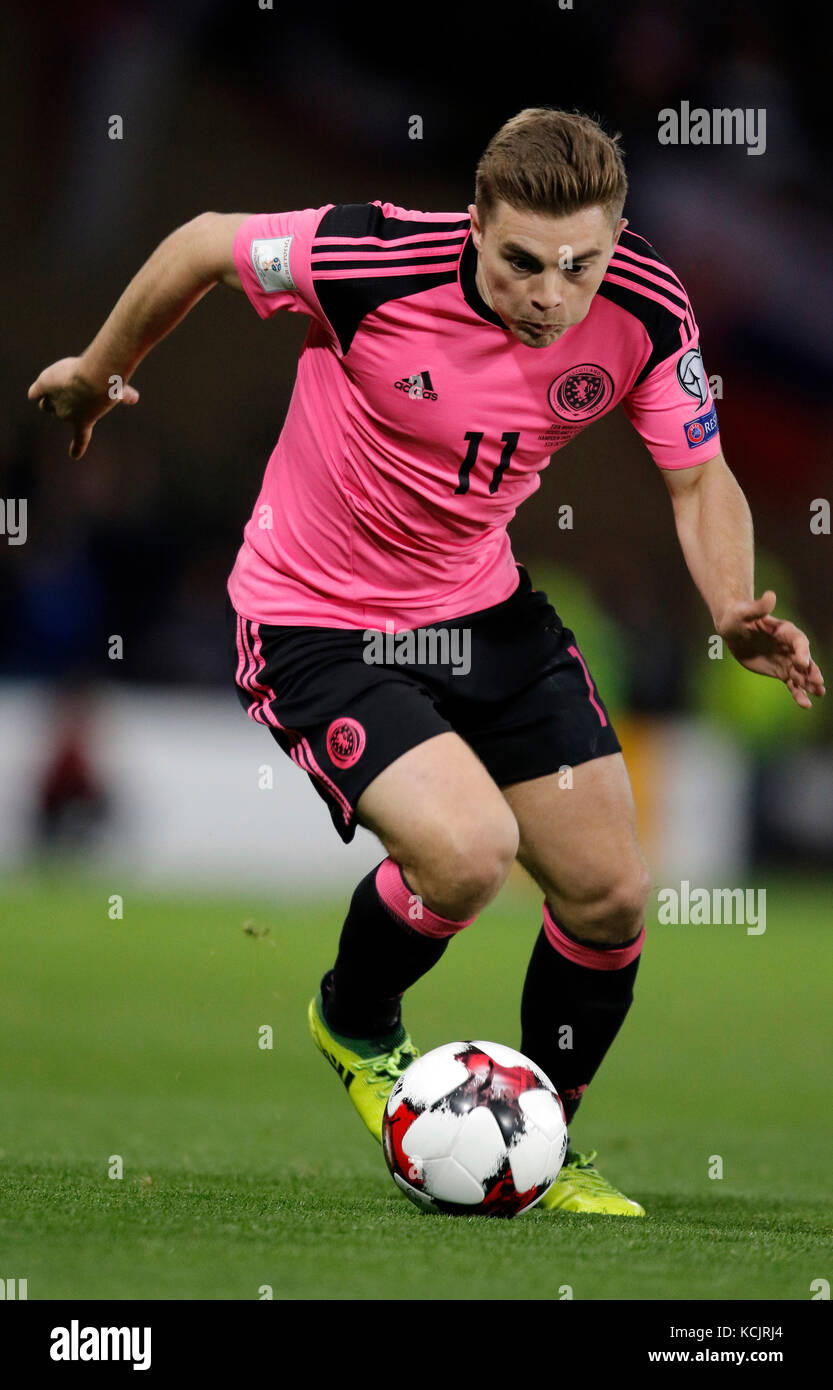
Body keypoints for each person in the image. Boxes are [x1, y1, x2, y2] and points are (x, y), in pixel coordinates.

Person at [29, 108, 825, 1216]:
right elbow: (208, 241)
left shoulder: (645, 305)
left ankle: (538, 1142)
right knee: (467, 855)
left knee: (608, 895)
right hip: (315, 618)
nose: (550, 294)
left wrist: (732, 604)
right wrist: (99, 370)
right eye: (520, 263)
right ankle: (354, 1023)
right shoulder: (369, 259)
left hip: (480, 609)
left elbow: (698, 480)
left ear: (616, 240)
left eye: (577, 265)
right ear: (473, 223)